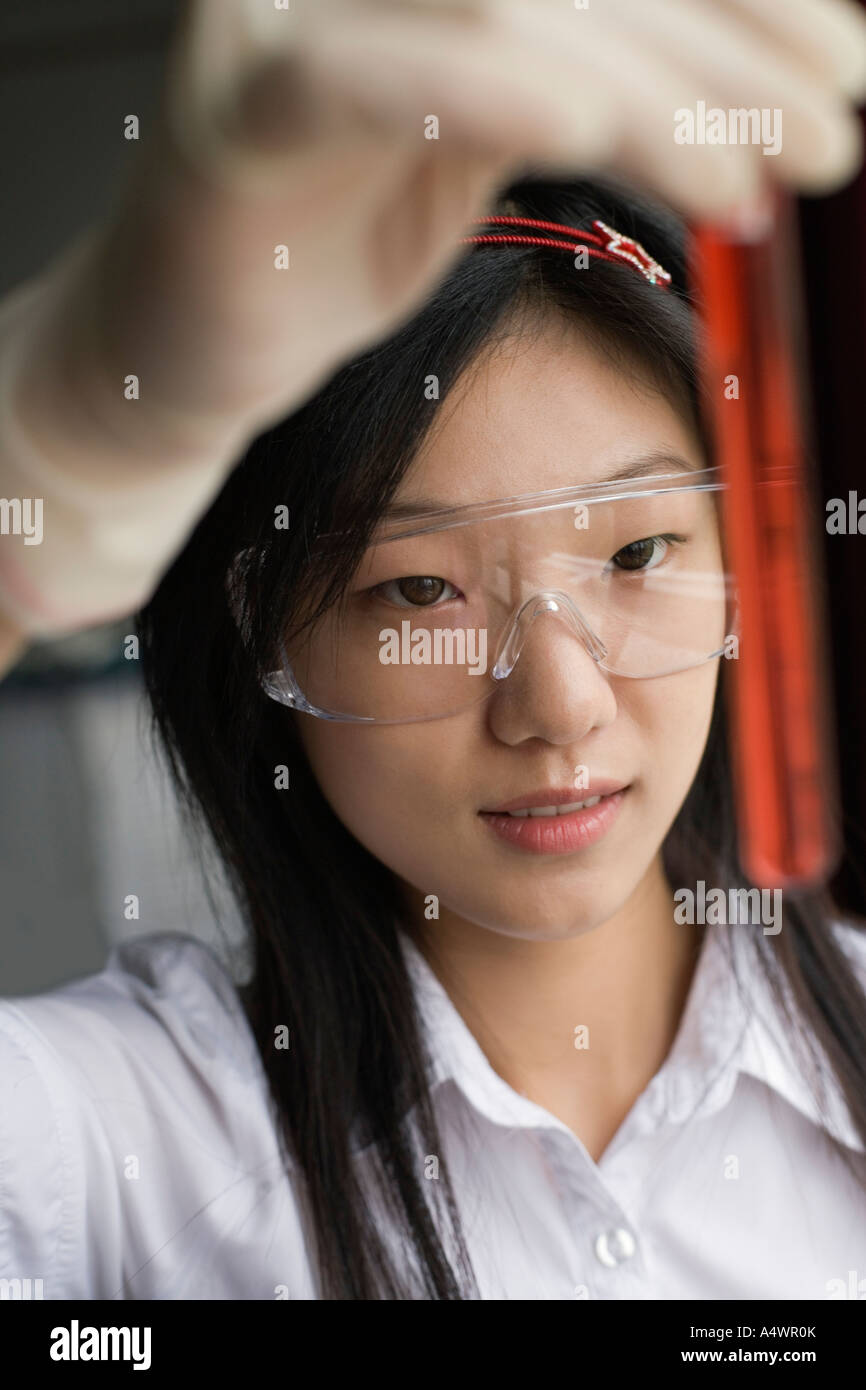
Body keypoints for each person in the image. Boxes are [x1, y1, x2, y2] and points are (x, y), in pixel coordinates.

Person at [1, 0, 866, 1301]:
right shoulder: (126, 1147)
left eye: (636, 555)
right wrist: (48, 449)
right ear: (260, 638)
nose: (558, 704)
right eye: (416, 587)